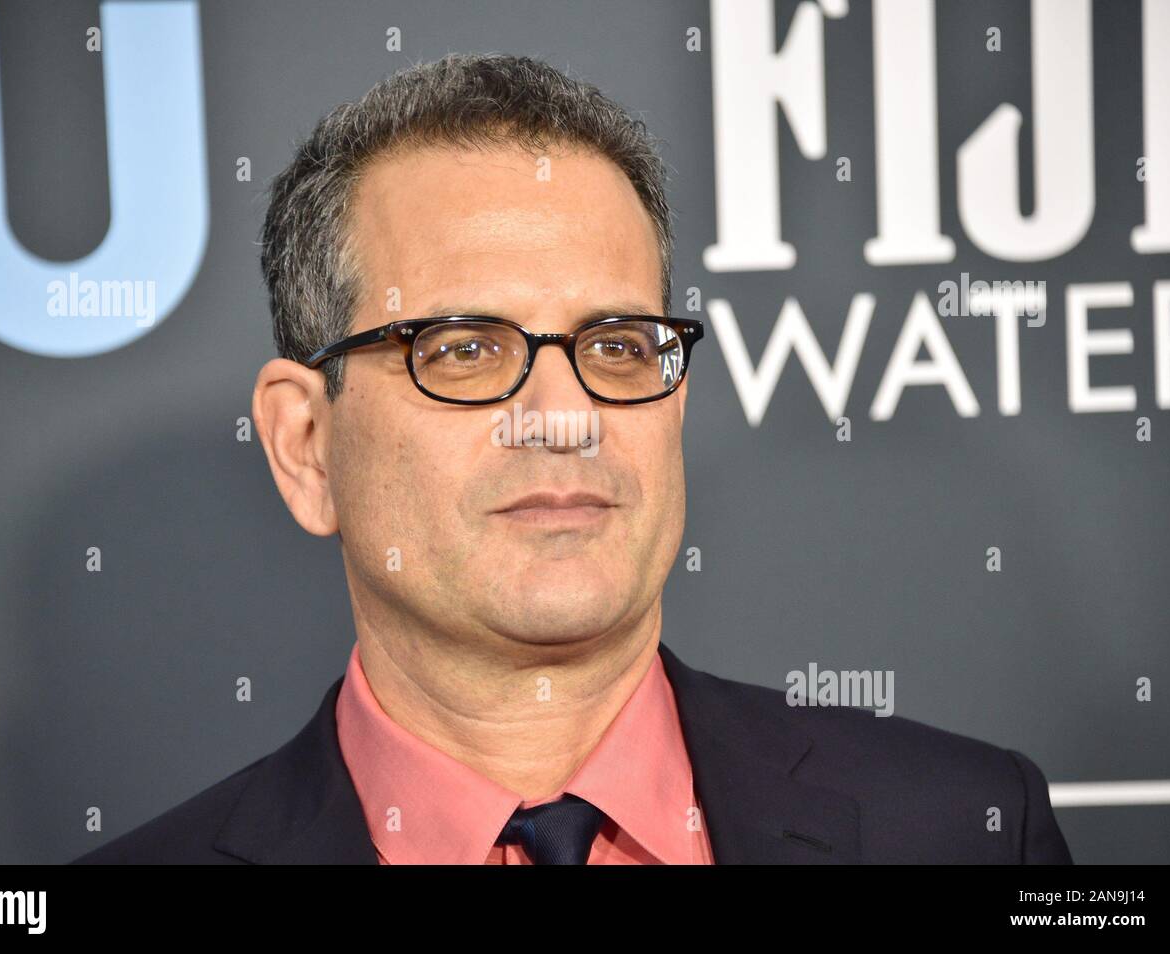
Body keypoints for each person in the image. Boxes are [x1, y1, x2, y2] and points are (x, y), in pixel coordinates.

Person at [73, 53, 1072, 865]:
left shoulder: (964, 830)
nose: (564, 418)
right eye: (462, 350)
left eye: (615, 347)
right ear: (305, 445)